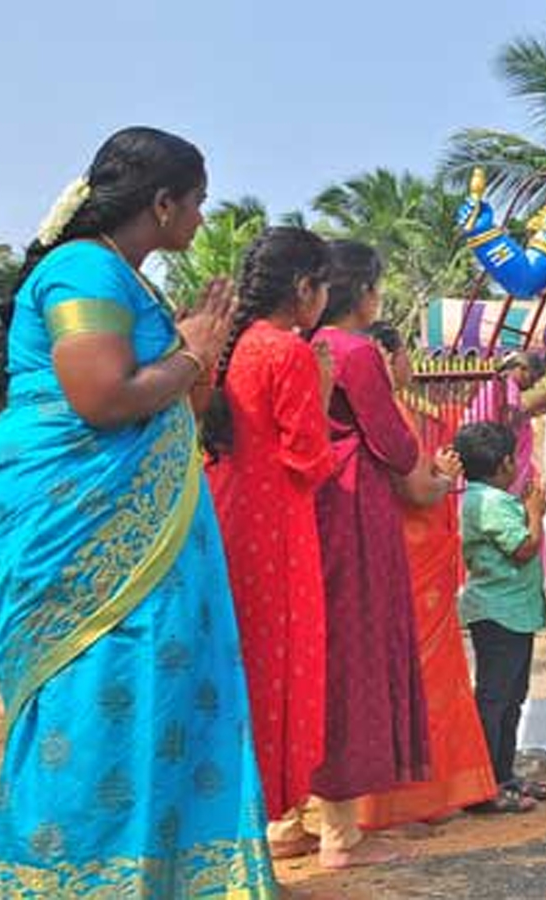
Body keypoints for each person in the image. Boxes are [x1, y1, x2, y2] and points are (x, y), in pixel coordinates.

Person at [0, 127, 278, 896]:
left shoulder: (131, 281)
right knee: (91, 689)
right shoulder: (81, 270)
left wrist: (194, 360)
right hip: (71, 510)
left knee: (162, 682)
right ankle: (65, 877)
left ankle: (167, 876)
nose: (203, 219)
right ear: (163, 202)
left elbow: (178, 399)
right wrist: (195, 352)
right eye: (199, 202)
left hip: (150, 514)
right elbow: (102, 398)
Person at [203, 227, 335, 859]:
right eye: (323, 286)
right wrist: (325, 390)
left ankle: (231, 815)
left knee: (234, 664)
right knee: (278, 669)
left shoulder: (233, 348)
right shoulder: (288, 353)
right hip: (277, 530)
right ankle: (267, 818)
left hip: (223, 520)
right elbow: (308, 460)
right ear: (304, 287)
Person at [310, 240, 430, 868]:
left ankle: (293, 814)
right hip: (353, 503)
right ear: (363, 293)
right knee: (353, 651)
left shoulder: (293, 344)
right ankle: (339, 828)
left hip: (305, 502)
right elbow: (396, 444)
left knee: (313, 647)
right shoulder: (354, 351)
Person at [356, 323, 502, 829]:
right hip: (409, 560)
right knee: (425, 676)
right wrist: (444, 477)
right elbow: (417, 490)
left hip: (396, 556)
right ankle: (422, 794)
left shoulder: (366, 408)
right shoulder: (388, 409)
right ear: (386, 356)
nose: (410, 366)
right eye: (404, 356)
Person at [453, 421, 546, 813]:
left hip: (512, 611)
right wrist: (534, 513)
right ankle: (483, 786)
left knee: (510, 696)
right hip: (500, 612)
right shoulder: (490, 503)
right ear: (505, 463)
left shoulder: (486, 498)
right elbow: (524, 548)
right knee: (496, 698)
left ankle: (502, 774)